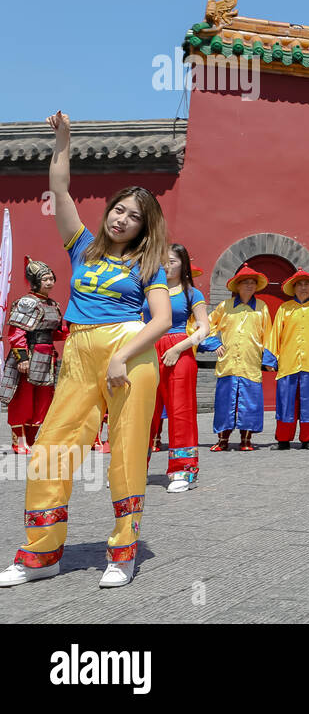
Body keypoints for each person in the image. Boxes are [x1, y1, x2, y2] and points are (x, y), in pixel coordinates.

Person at [0, 112, 170, 589]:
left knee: (126, 450)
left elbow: (159, 319)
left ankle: (123, 551)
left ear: (144, 227)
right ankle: (41, 554)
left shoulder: (149, 263)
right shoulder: (82, 247)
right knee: (51, 448)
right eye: (120, 209)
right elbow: (59, 188)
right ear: (109, 210)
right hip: (78, 350)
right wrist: (63, 140)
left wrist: (121, 356)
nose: (122, 219)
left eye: (134, 216)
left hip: (129, 353)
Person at [146, 244, 209, 490]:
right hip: (147, 350)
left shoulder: (192, 293)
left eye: (172, 261)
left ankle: (182, 469)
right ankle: (133, 469)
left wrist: (177, 348)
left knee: (180, 412)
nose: (166, 266)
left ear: (183, 264)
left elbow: (204, 328)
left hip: (179, 352)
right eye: (162, 261)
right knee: (142, 412)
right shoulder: (148, 289)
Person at [199, 265, 273, 452]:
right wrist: (214, 344)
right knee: (225, 401)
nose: (249, 285)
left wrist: (269, 360)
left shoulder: (262, 308)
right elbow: (207, 325)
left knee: (250, 402)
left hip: (250, 362)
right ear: (237, 286)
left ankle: (246, 439)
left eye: (252, 283)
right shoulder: (225, 307)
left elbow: (269, 335)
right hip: (228, 363)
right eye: (245, 282)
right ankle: (223, 439)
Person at [265, 268, 309, 450]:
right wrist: (270, 360)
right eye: (300, 284)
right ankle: (283, 439)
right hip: (288, 363)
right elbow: (275, 335)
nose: (304, 287)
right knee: (286, 402)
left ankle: (308, 438)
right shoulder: (285, 308)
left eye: (307, 284)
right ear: (294, 287)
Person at [1, 258, 64, 455]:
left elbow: (56, 332)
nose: (49, 282)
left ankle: (32, 439)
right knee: (24, 400)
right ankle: (19, 440)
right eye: (45, 279)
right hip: (29, 354)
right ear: (35, 281)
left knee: (43, 400)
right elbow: (17, 332)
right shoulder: (26, 303)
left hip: (47, 358)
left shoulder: (53, 304)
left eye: (51, 278)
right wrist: (22, 358)